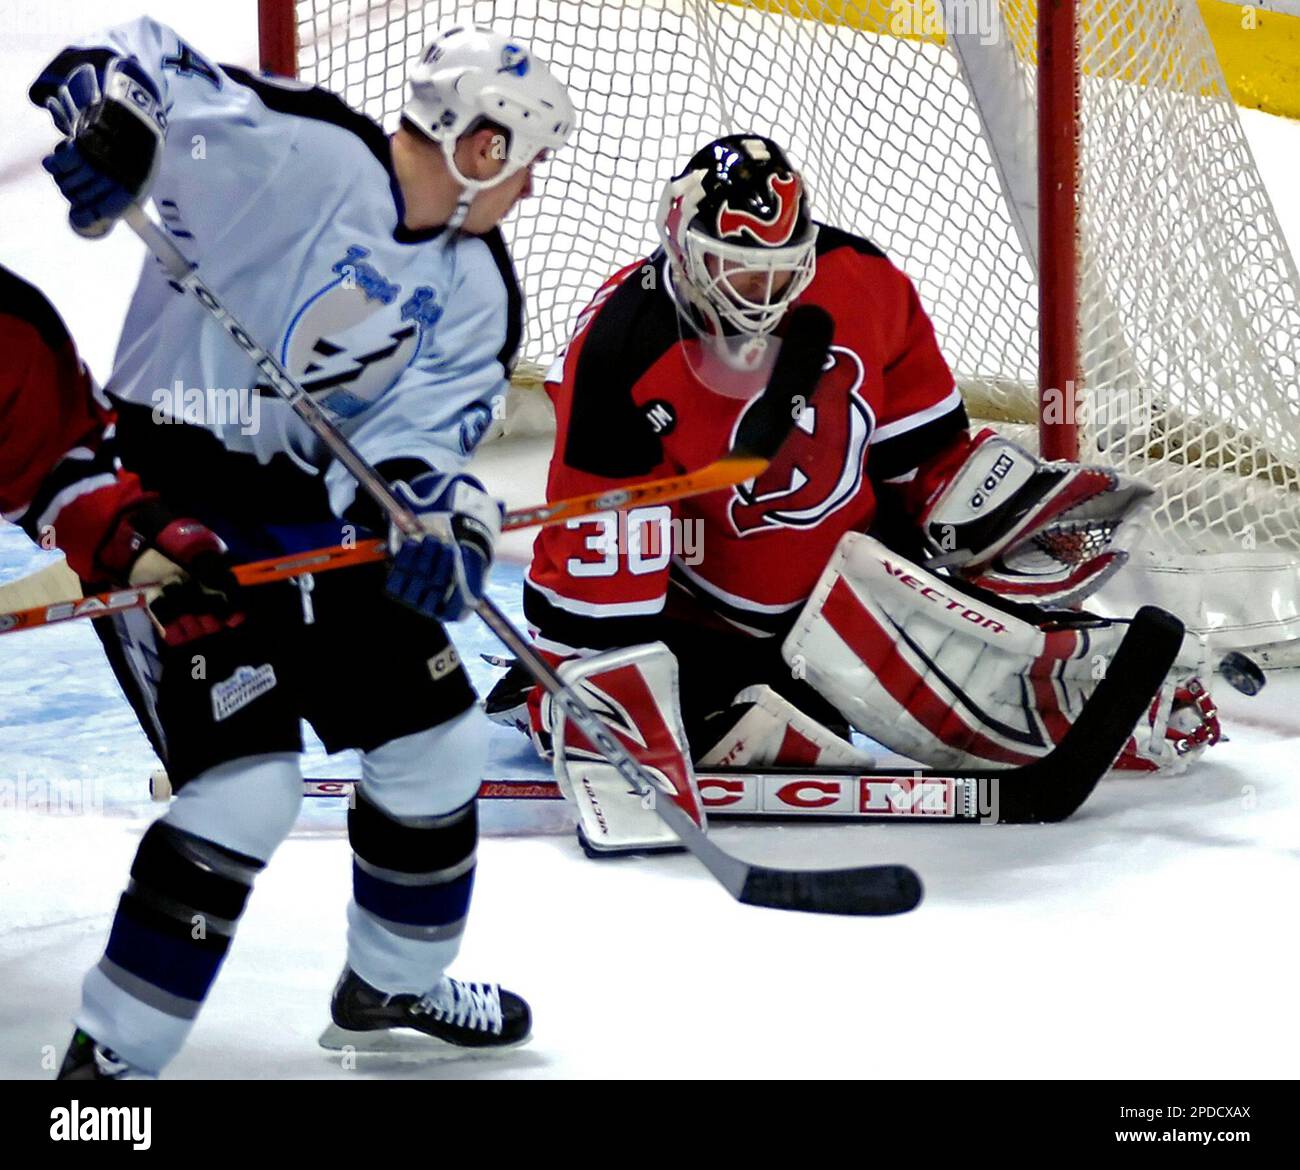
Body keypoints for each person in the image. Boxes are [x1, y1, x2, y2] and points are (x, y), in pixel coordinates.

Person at [28, 17, 573, 1077]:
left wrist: (436, 529)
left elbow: (427, 445)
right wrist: (112, 123)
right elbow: (135, 59)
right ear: (483, 145)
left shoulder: (477, 289)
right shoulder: (299, 150)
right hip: (167, 505)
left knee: (438, 745)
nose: (532, 188)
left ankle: (391, 986)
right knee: (247, 788)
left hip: (322, 516)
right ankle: (108, 1072)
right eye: (529, 158)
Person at [492, 135, 1219, 856]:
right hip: (702, 629)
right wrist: (596, 692)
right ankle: (544, 703)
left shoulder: (862, 282)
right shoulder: (620, 352)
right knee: (772, 734)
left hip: (855, 582)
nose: (763, 297)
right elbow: (602, 586)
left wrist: (982, 519)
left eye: (780, 274)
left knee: (1020, 669)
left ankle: (1106, 694)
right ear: (680, 244)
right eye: (737, 272)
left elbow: (921, 456)